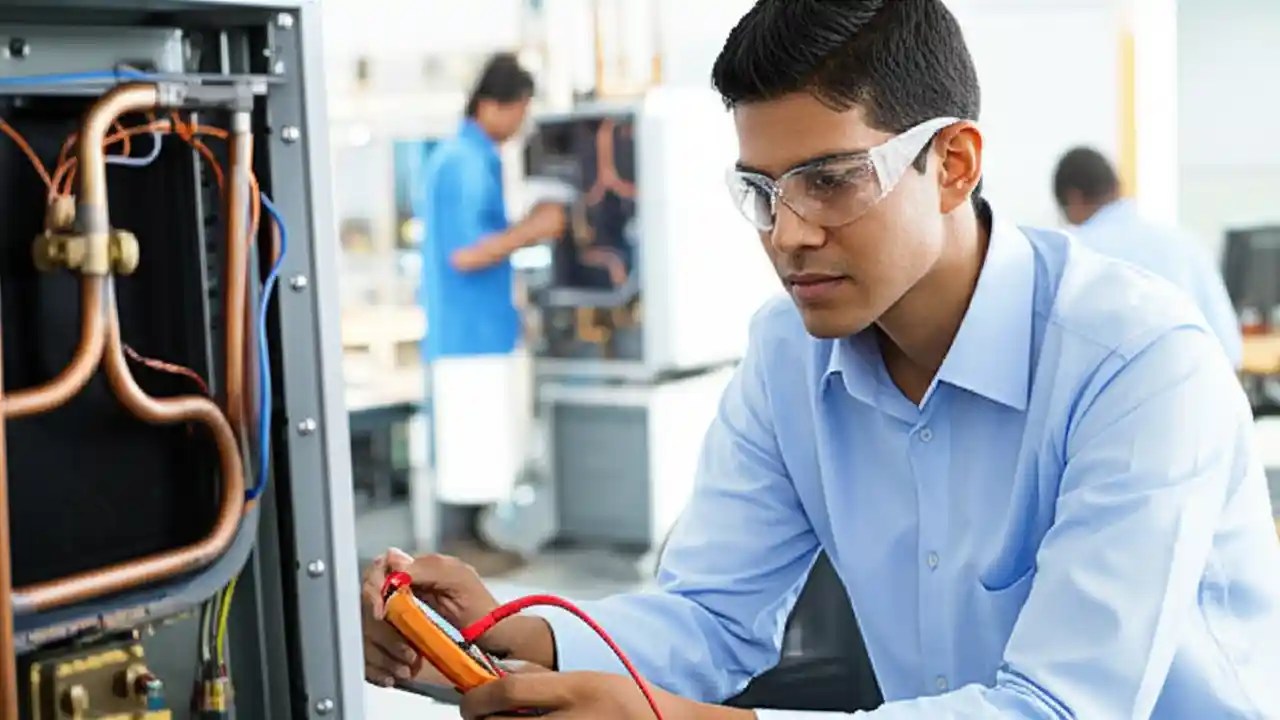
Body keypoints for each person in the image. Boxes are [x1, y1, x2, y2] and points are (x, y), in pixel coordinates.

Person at [370, 2, 1280, 718]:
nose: (788, 233)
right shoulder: (787, 356)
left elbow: (1055, 708)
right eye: (760, 191)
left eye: (832, 180)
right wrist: (507, 628)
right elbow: (710, 616)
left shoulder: (1136, 363)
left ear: (954, 163)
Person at [416, 53, 567, 548]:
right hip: (466, 335)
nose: (522, 125)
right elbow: (464, 253)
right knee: (469, 449)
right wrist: (533, 229)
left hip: (482, 327)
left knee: (483, 445)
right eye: (520, 111)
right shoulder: (461, 163)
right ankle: (463, 545)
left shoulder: (476, 158)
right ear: (492, 105)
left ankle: (477, 538)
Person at [1053, 147, 1244, 368]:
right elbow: (1230, 350)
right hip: (1199, 390)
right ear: (1116, 187)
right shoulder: (1185, 242)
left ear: (1073, 198)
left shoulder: (1071, 253)